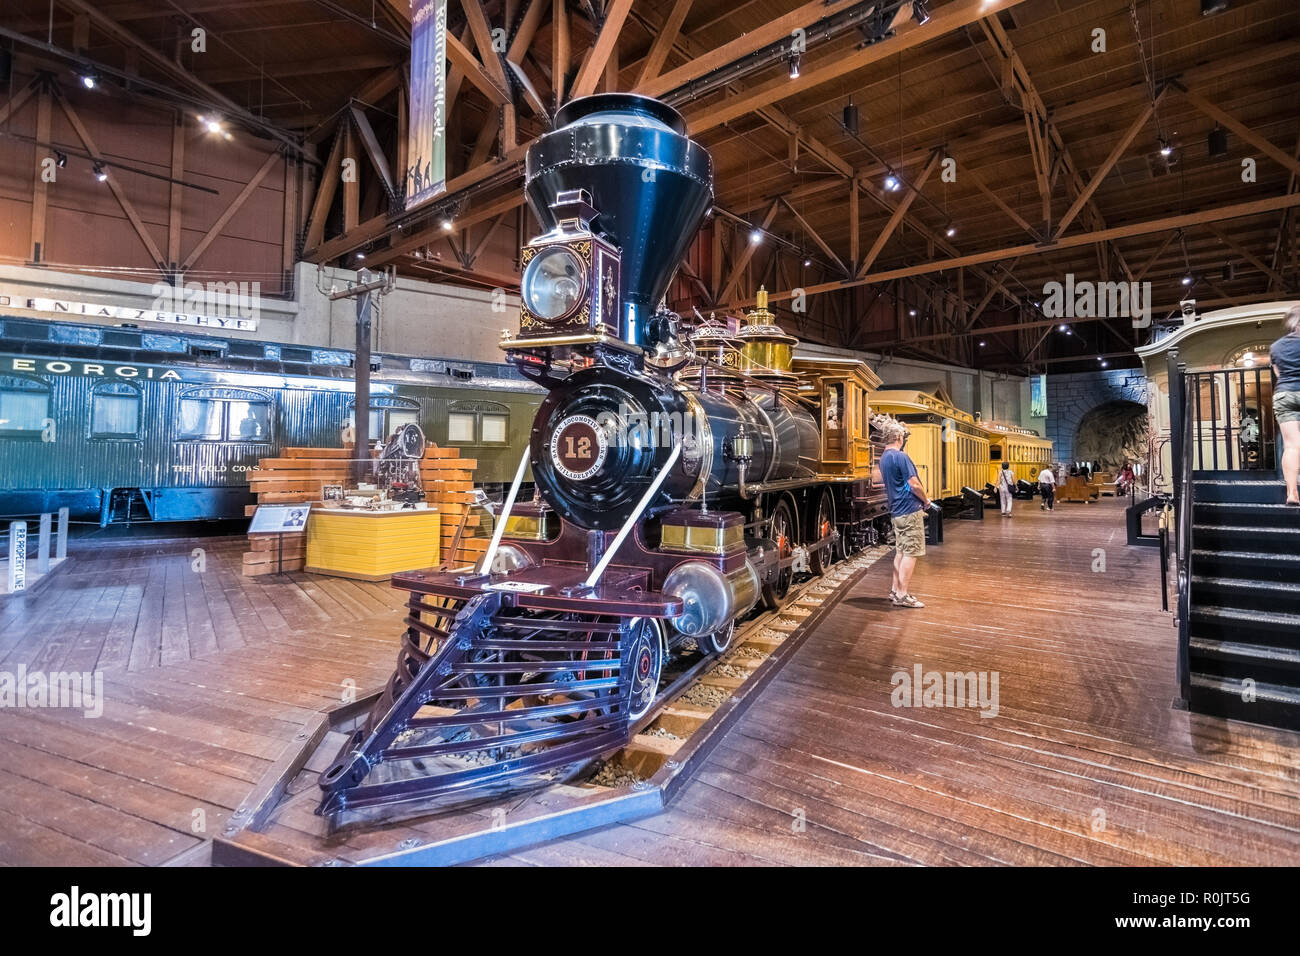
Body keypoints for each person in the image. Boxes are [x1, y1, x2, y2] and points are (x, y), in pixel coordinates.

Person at [872, 414, 934, 609]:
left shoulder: (884, 458)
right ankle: (902, 595)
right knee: (911, 553)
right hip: (909, 509)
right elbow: (914, 484)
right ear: (899, 437)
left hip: (896, 510)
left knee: (901, 551)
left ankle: (894, 590)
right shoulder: (901, 456)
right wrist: (926, 500)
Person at [1273, 305, 1300, 505]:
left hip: (1284, 393)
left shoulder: (1276, 347)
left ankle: (1292, 493)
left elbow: (1278, 374)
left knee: (1291, 446)